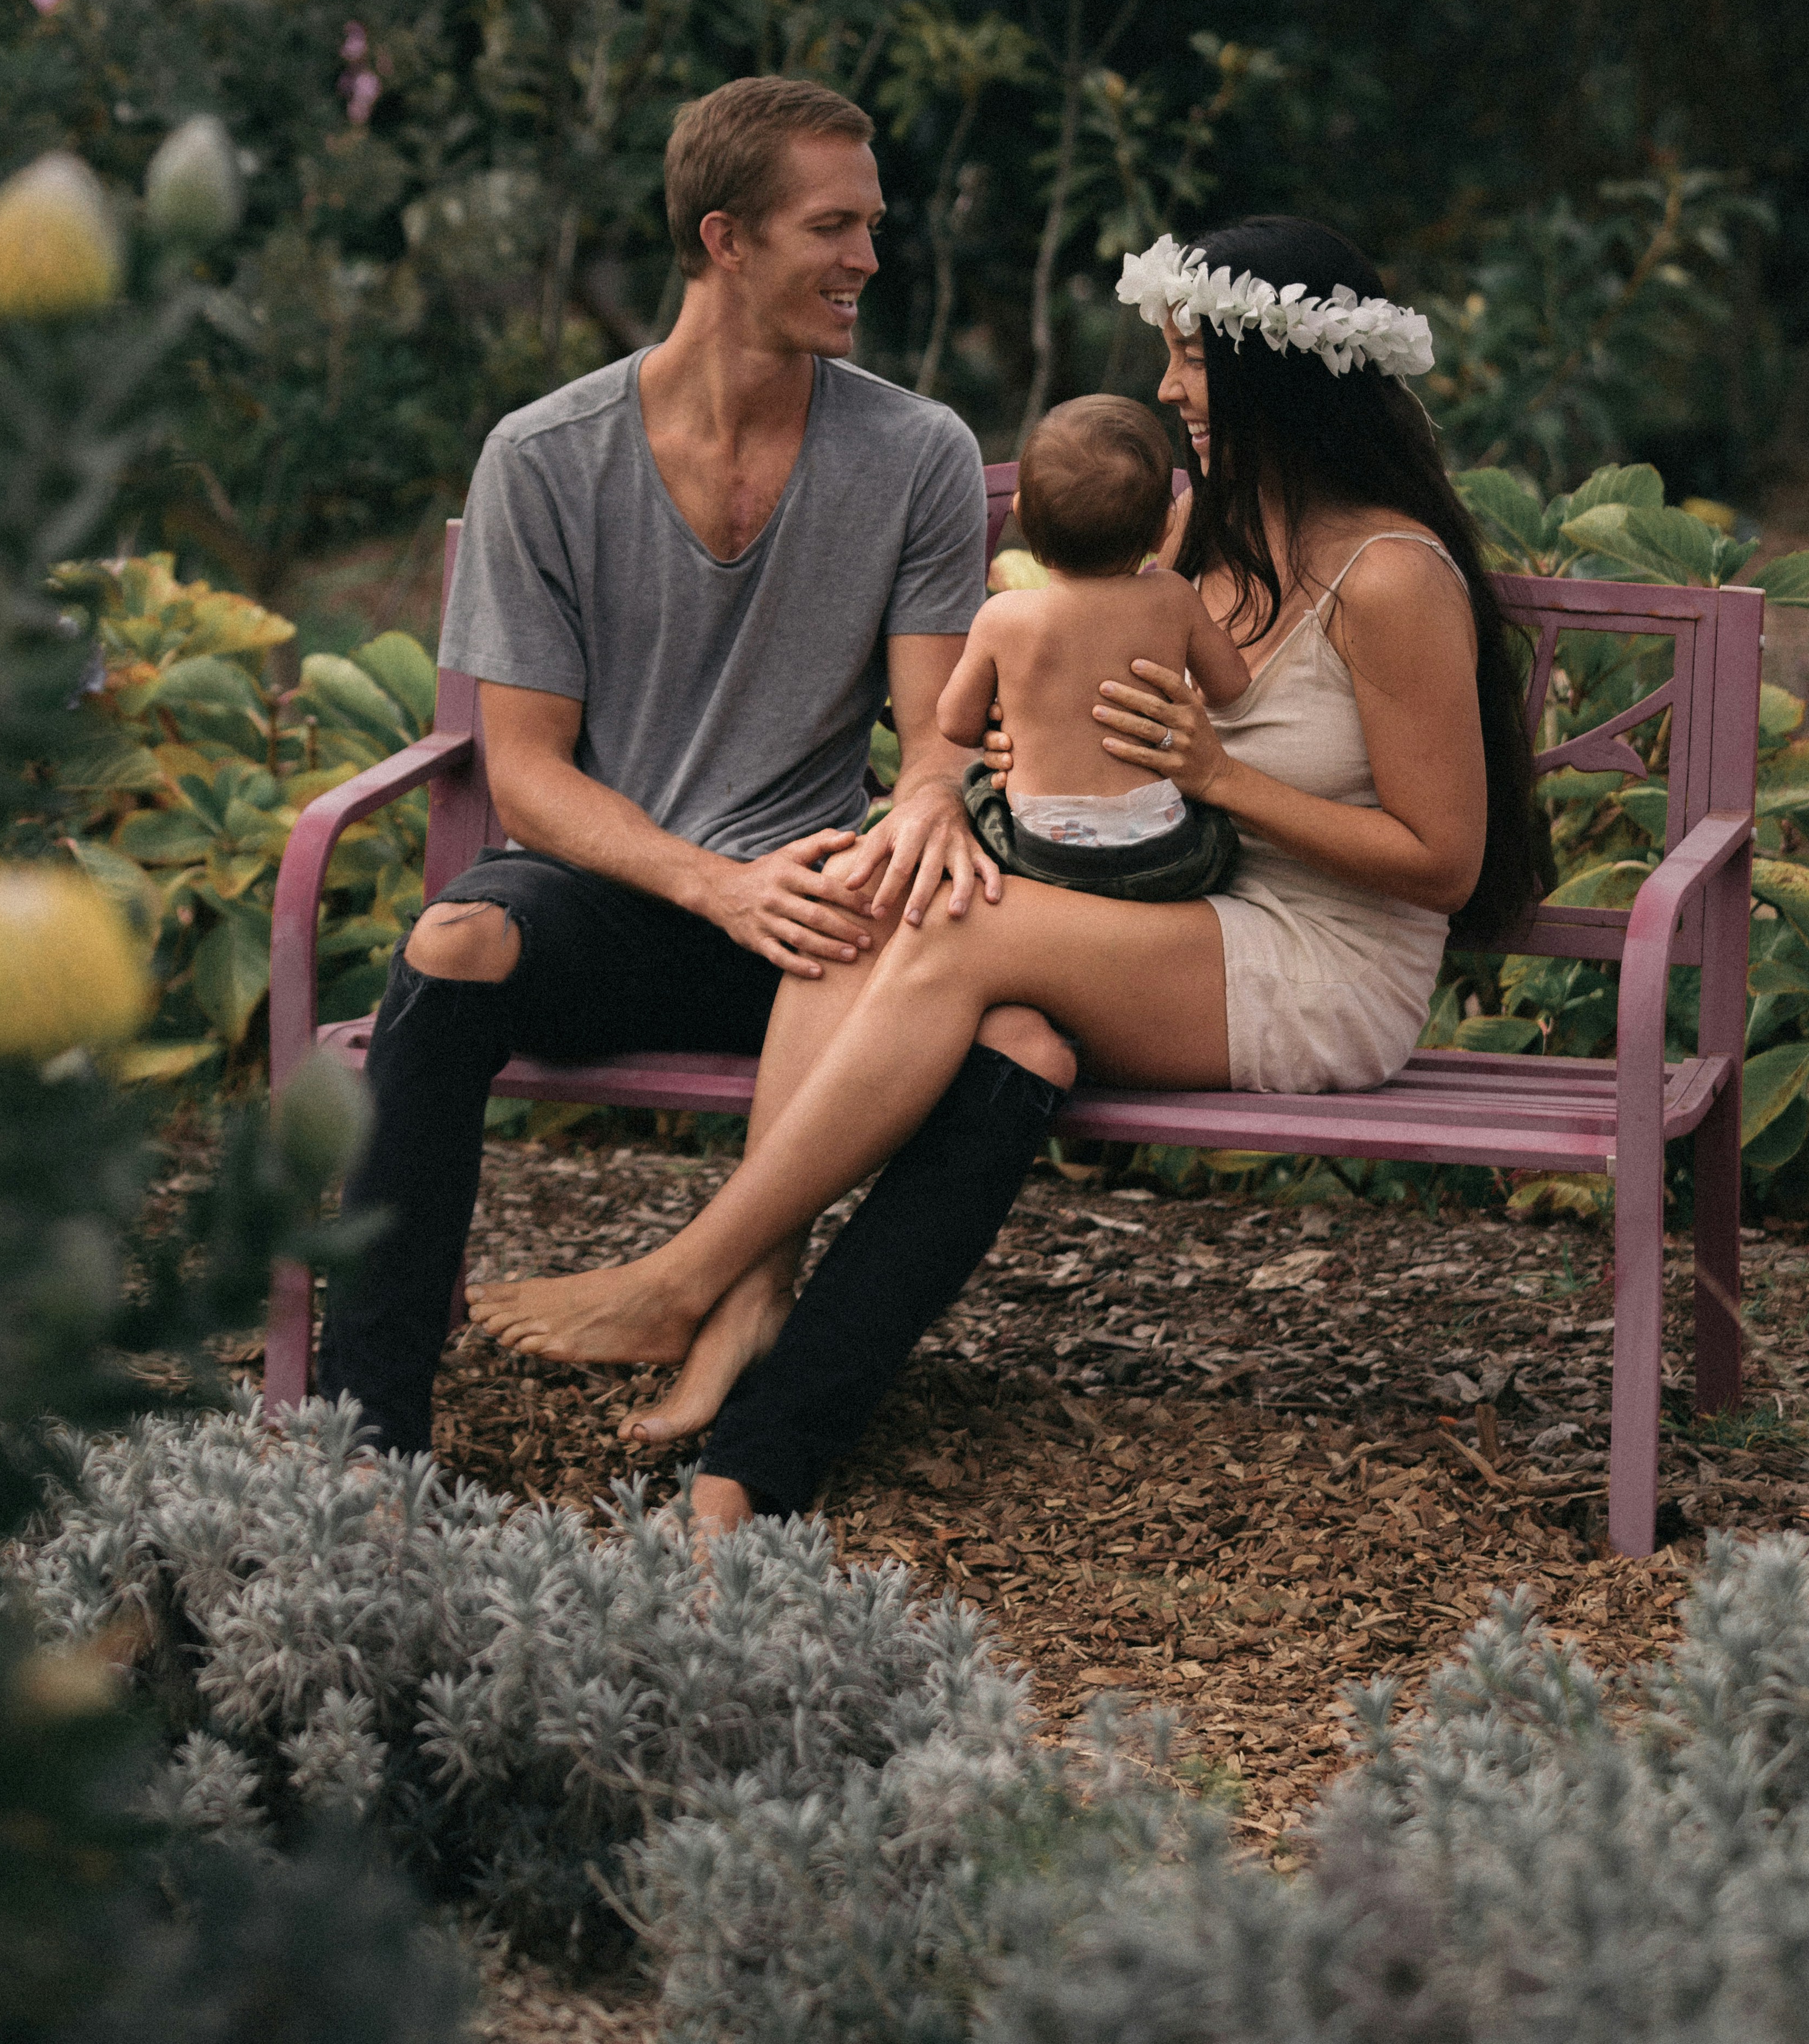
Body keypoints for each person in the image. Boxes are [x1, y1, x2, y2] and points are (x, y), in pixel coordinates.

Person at [468, 214, 1541, 1516]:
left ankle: (690, 1270)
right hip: (1177, 912)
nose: (1164, 388)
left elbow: (1443, 859)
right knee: (881, 888)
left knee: (954, 928)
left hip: (1321, 965)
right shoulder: (1205, 535)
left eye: (1190, 358)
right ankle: (753, 1316)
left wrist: (1218, 777)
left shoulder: (1390, 574)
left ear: (1277, 372)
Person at [318, 74, 1077, 1526]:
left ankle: (759, 1442)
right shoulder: (545, 457)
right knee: (452, 944)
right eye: (832, 227)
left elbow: (937, 734)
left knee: (1014, 1043)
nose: (867, 258)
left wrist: (926, 798)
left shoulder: (914, 452)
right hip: (631, 892)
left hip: (817, 911)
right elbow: (525, 774)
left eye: (872, 224)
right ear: (724, 238)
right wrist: (708, 881)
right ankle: (367, 1445)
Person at [939, 393, 1250, 893]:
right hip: (1165, 851)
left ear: (1018, 512)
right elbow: (1232, 688)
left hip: (1043, 853)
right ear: (1162, 529)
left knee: (978, 786)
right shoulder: (1172, 597)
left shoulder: (1003, 616)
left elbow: (955, 724)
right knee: (1218, 832)